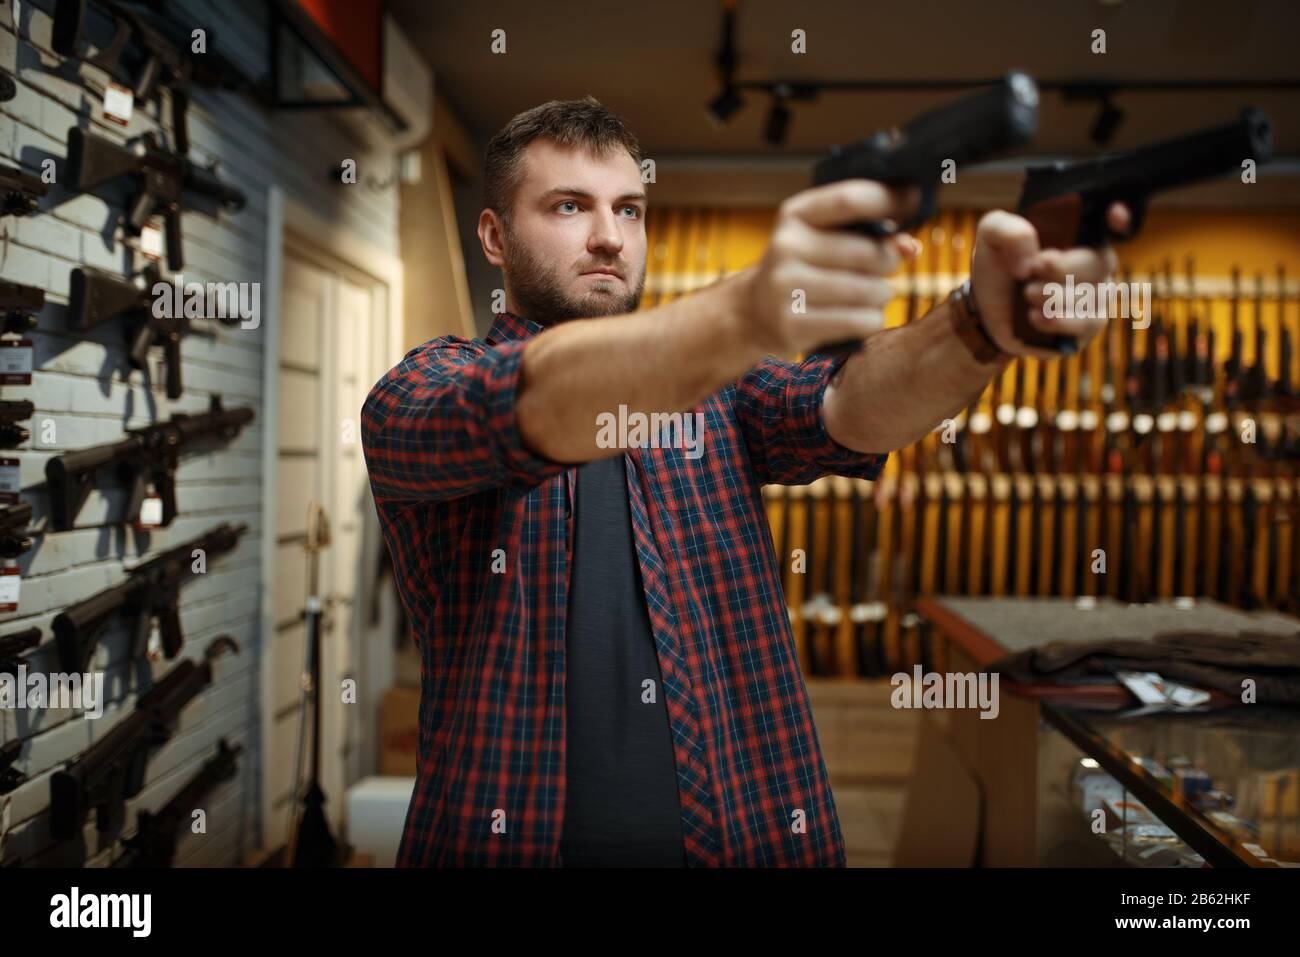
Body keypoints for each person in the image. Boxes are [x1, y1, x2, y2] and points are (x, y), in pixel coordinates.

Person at [360, 95, 1124, 867]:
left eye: (630, 209)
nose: (609, 237)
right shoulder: (420, 389)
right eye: (569, 206)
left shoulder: (720, 391)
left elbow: (850, 404)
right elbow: (530, 401)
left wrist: (980, 328)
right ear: (494, 235)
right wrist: (746, 311)